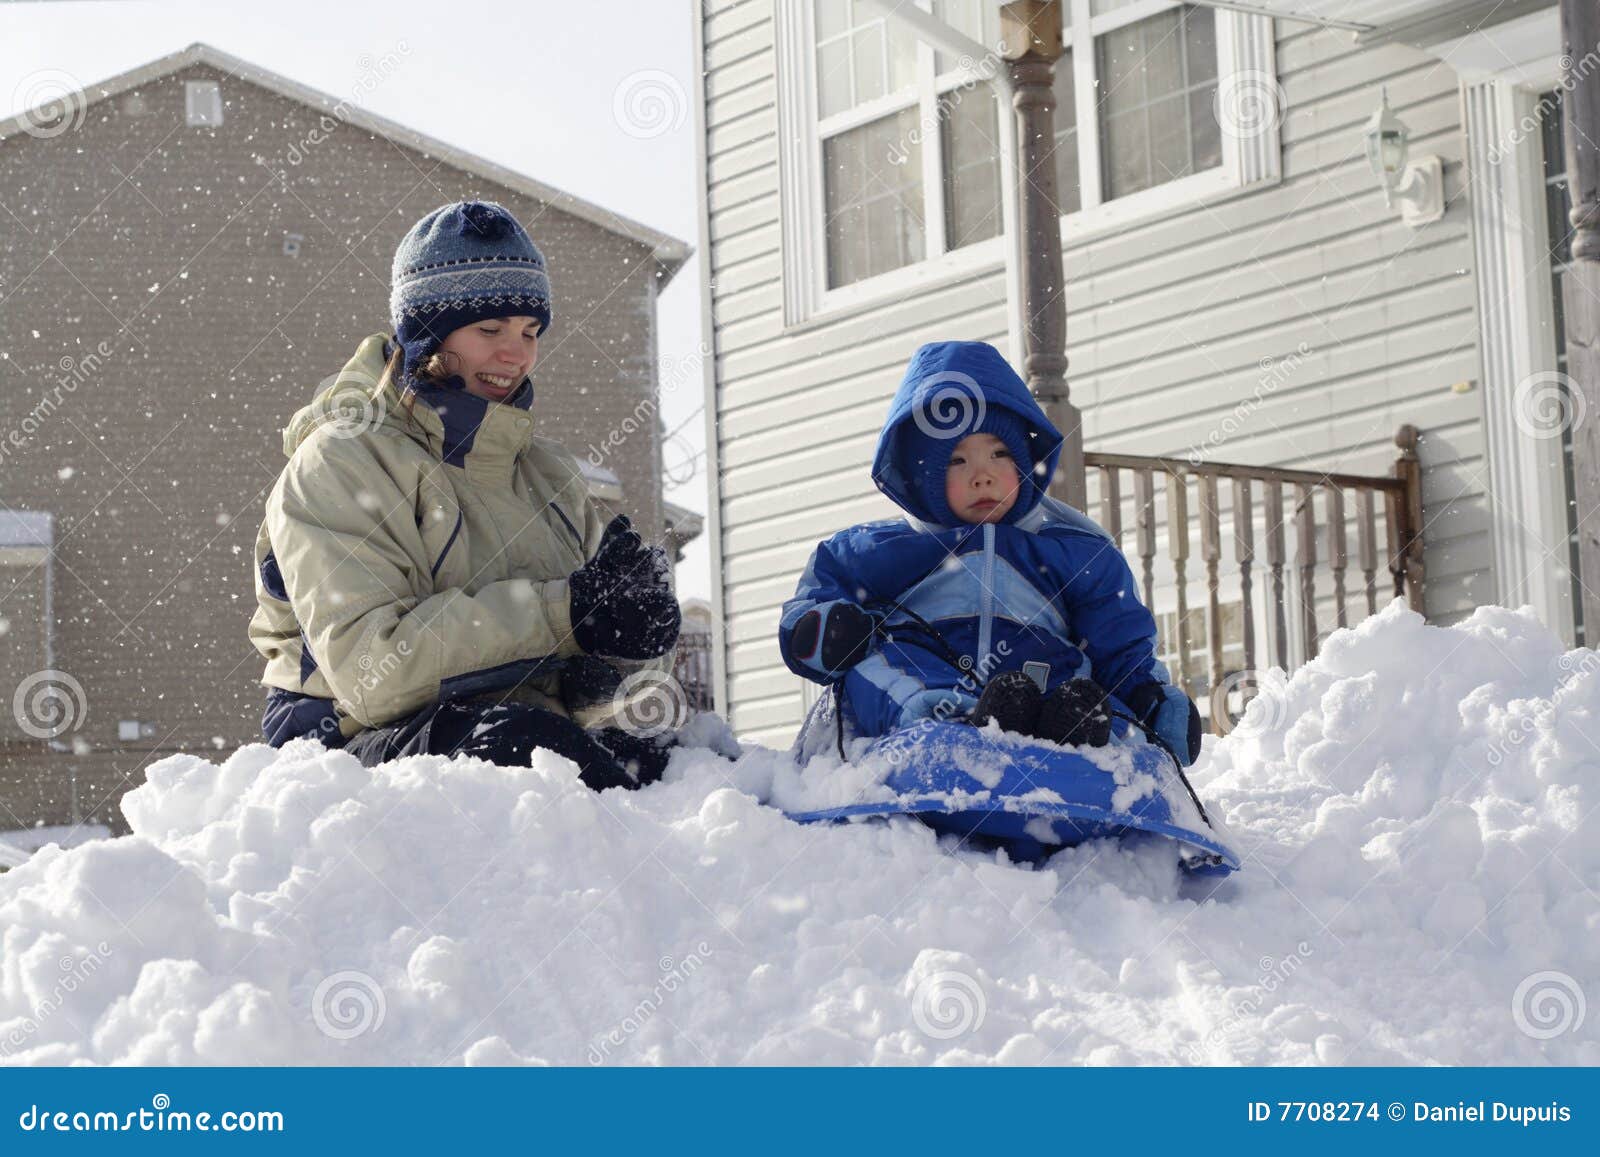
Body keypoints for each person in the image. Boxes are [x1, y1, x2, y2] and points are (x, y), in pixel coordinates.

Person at [248, 199, 682, 790]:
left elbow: (588, 662)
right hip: (347, 754)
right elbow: (372, 672)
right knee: (518, 746)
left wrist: (631, 635)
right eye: (489, 329)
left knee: (668, 759)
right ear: (426, 331)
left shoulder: (546, 475)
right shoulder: (341, 463)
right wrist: (566, 612)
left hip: (524, 727)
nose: (517, 354)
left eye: (530, 332)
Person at [777, 340, 1201, 765]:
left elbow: (1118, 640)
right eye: (956, 461)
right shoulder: (879, 550)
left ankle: (1082, 736)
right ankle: (950, 730)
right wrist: (827, 630)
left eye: (999, 454)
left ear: (1024, 462)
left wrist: (1148, 696)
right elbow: (817, 596)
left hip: (1041, 680)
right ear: (921, 476)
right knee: (874, 669)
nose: (982, 476)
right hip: (925, 678)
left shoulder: (1070, 550)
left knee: (1088, 693)